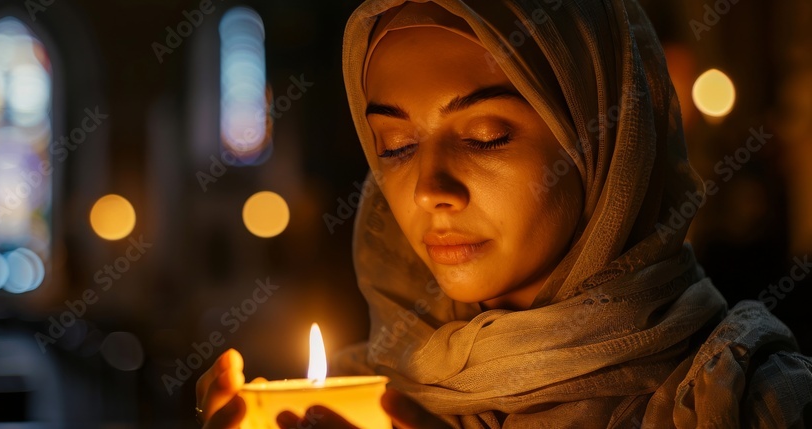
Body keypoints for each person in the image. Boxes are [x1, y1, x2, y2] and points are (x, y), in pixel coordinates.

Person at [196, 0, 812, 427]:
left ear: (605, 143)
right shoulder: (355, 405)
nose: (428, 189)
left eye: (486, 136)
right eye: (397, 147)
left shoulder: (744, 401)